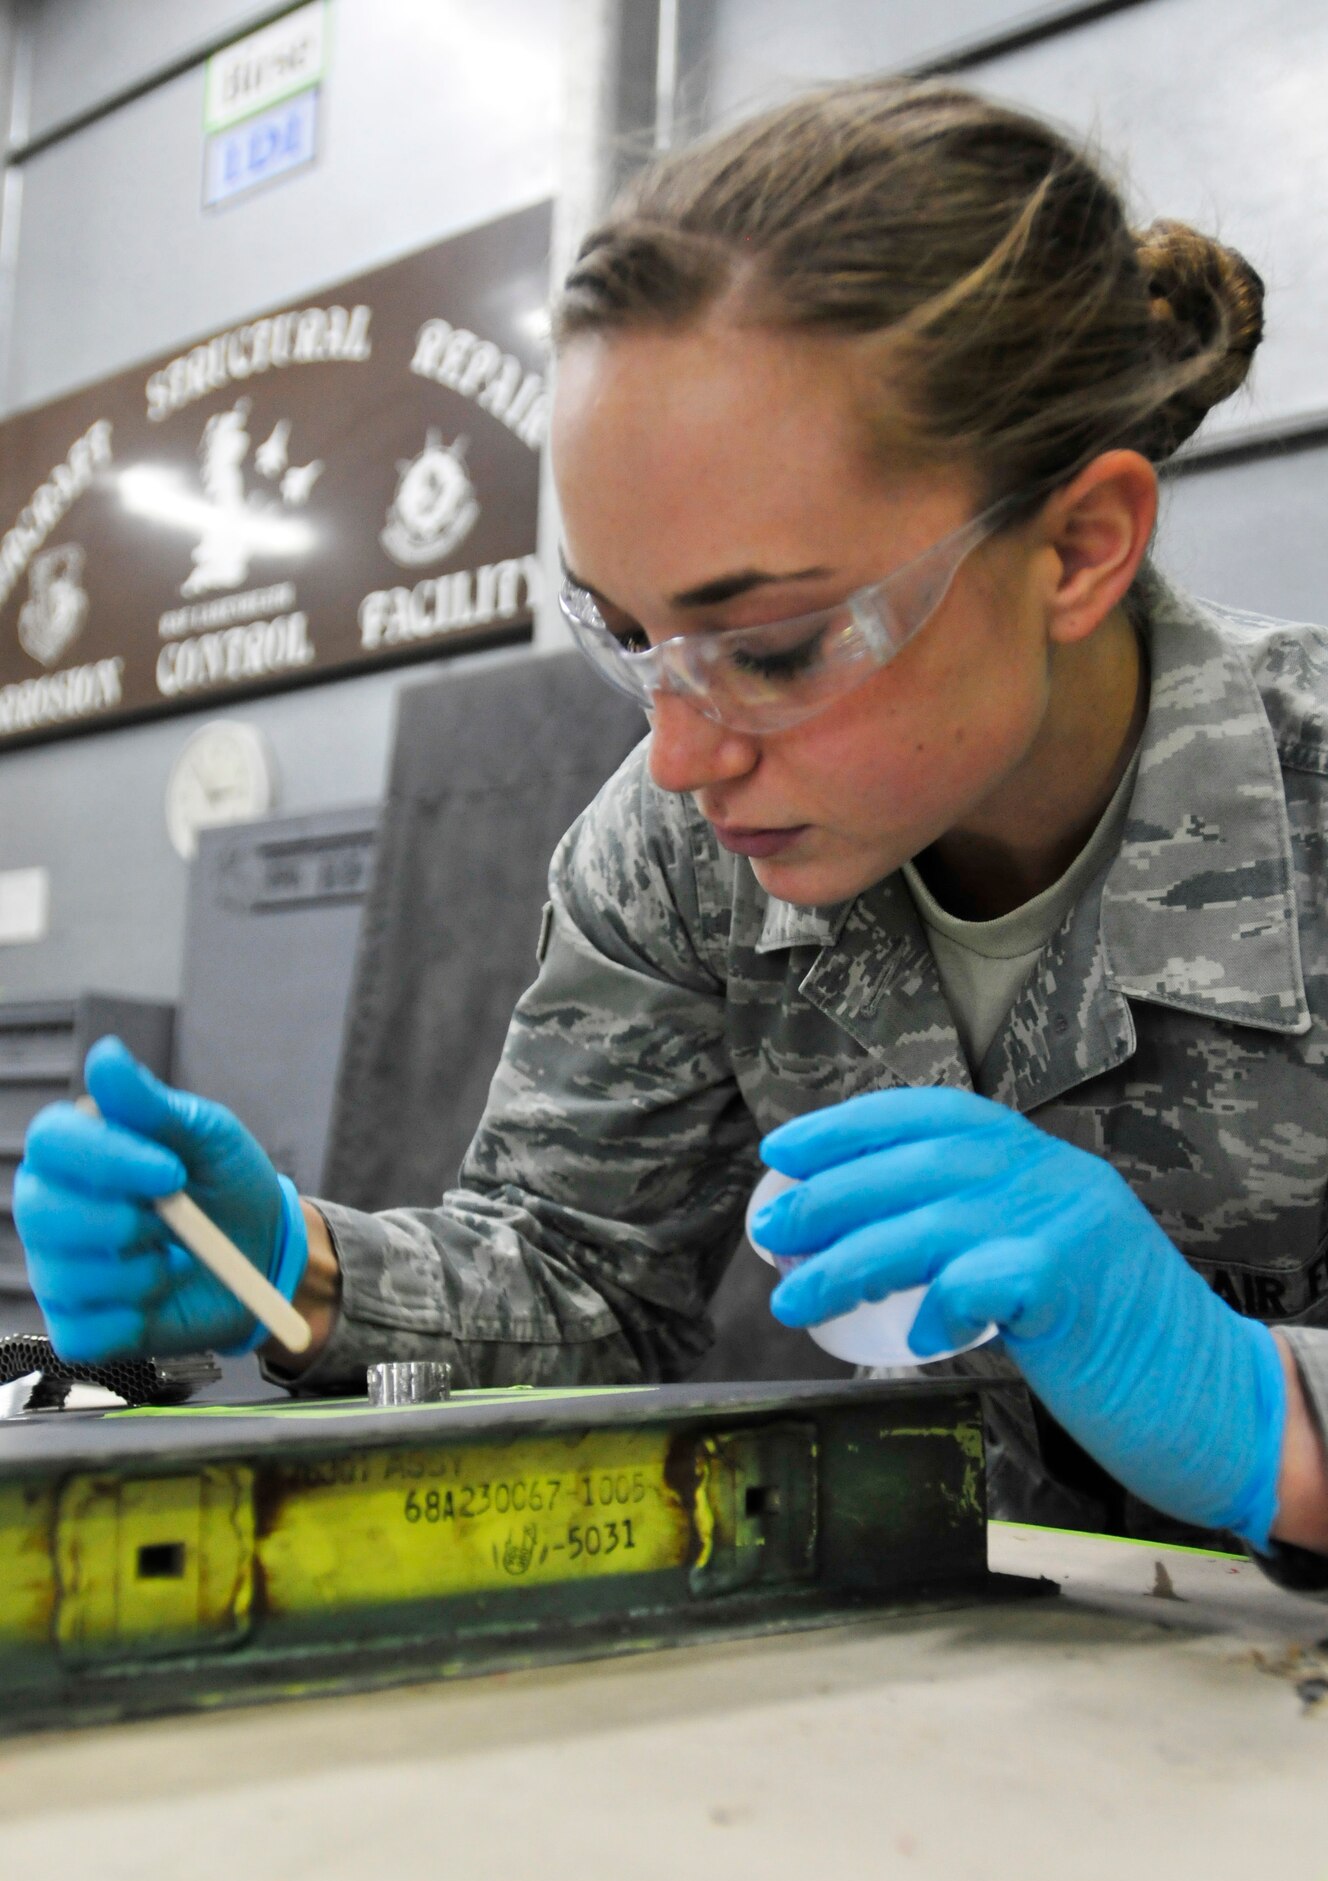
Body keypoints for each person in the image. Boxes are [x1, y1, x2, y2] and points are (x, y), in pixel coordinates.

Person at [16, 78, 1328, 1579]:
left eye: (769, 647)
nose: (682, 752)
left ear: (1082, 548)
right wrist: (293, 1272)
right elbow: (585, 1282)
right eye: (627, 636)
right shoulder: (673, 855)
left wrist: (1266, 1419)